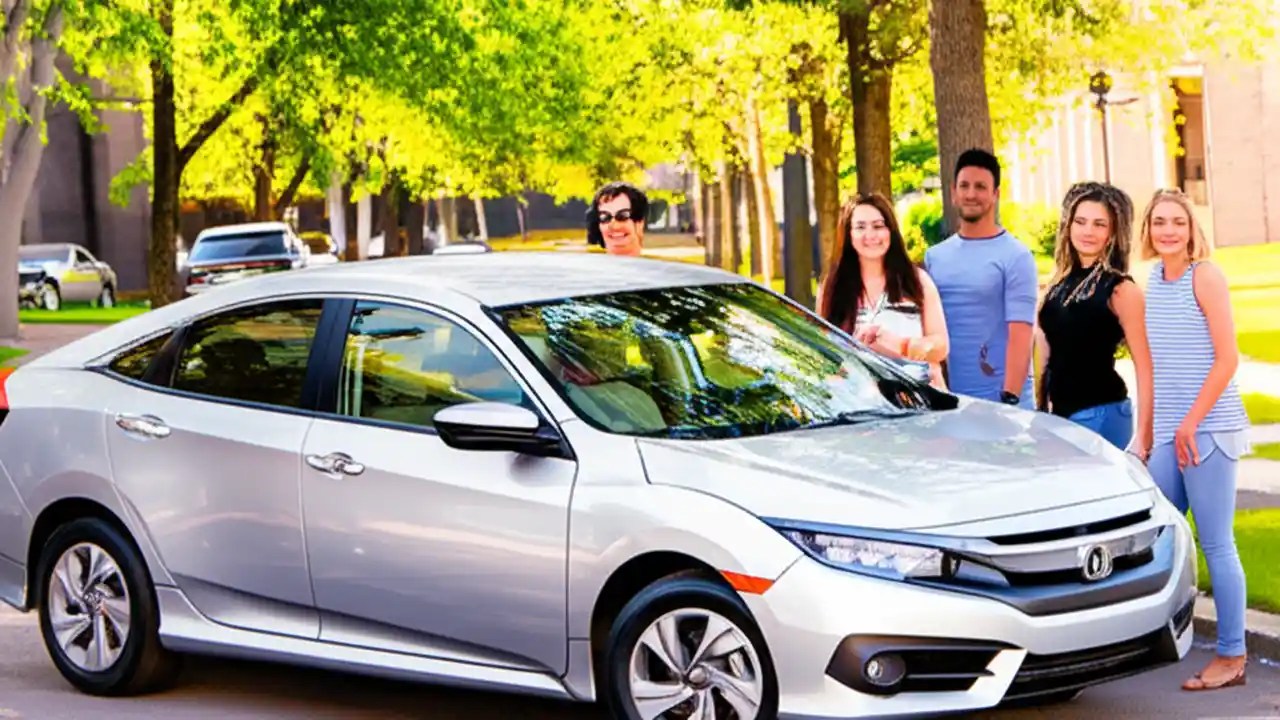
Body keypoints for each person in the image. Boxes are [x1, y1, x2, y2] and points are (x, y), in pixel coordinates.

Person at [1141, 188, 1250, 692]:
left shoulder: (1202, 276)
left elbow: (1227, 359)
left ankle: (1231, 655)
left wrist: (1191, 421)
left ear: (1191, 230)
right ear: (1148, 229)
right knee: (1158, 536)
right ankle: (1152, 636)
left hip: (1208, 428)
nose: (1168, 231)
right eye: (1160, 221)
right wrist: (1151, 433)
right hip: (1170, 431)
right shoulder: (1153, 281)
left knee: (1216, 544)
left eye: (1177, 223)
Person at [1033, 181, 1152, 453]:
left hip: (1101, 412)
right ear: (1069, 226)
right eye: (1081, 222)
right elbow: (1048, 354)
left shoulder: (1121, 289)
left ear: (1111, 233)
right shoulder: (1059, 284)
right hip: (1061, 415)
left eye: (1099, 224)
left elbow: (1145, 367)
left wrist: (1144, 437)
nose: (1088, 231)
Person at [924, 148, 1038, 408]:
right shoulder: (935, 257)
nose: (971, 194)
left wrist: (1009, 399)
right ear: (953, 192)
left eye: (980, 187)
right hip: (951, 404)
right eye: (964, 185)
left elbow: (1021, 335)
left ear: (995, 194)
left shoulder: (1016, 256)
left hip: (1003, 405)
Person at [817, 192, 949, 388]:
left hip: (921, 401)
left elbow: (941, 346)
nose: (870, 235)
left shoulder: (917, 281)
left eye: (878, 226)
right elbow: (823, 352)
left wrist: (901, 345)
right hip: (862, 406)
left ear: (891, 231)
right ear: (848, 234)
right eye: (860, 227)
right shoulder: (832, 286)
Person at [586, 182, 648, 256]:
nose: (614, 226)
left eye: (622, 216)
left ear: (640, 223)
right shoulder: (584, 265)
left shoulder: (660, 266)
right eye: (605, 217)